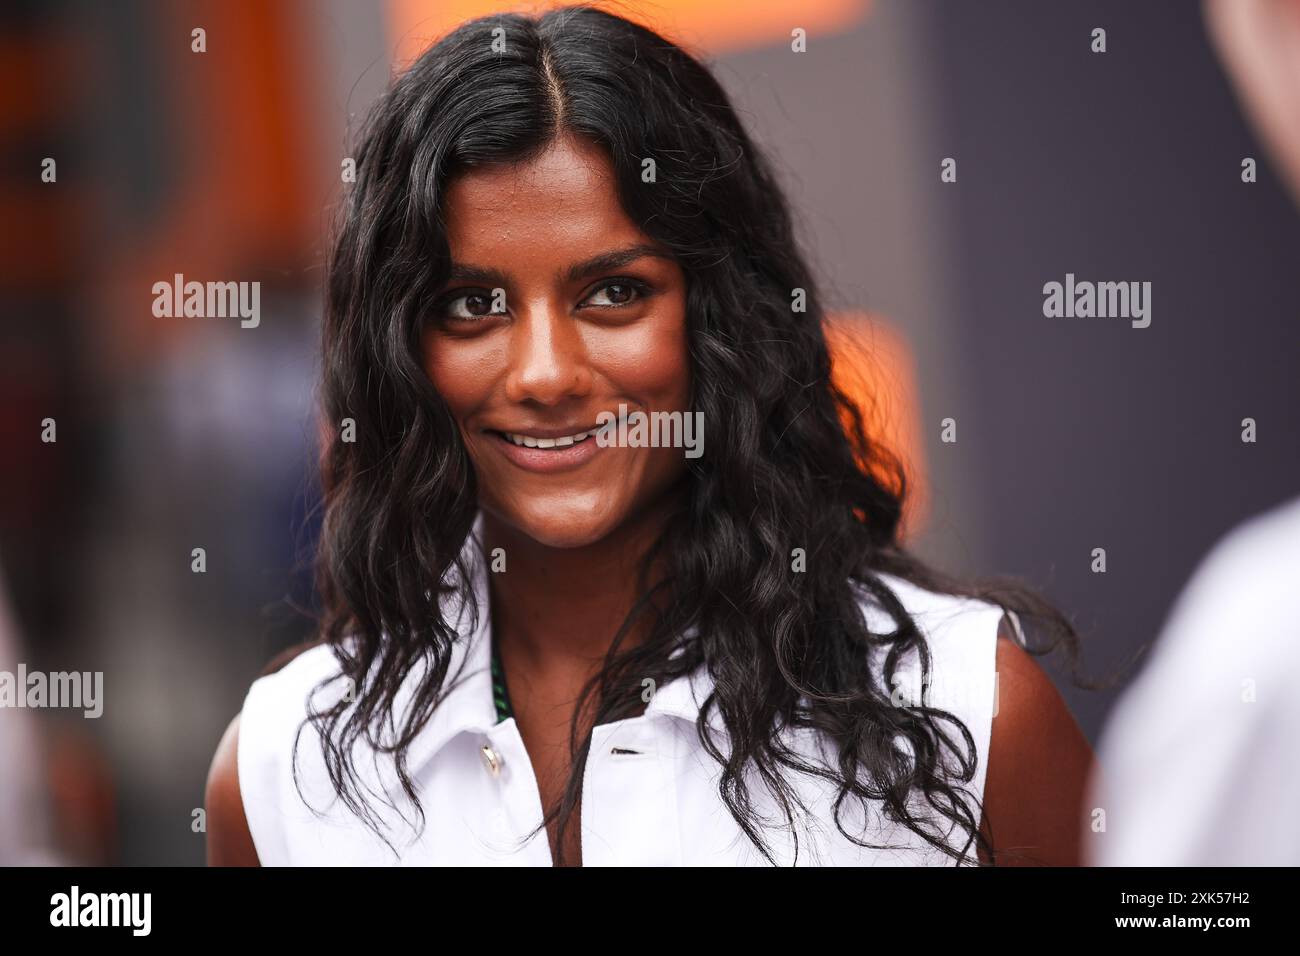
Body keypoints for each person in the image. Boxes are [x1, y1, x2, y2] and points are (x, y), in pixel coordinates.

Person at [205, 4, 1093, 866]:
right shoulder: (281, 775)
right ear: (402, 349)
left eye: (614, 293)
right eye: (474, 305)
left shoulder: (968, 716)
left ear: (721, 317)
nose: (545, 374)